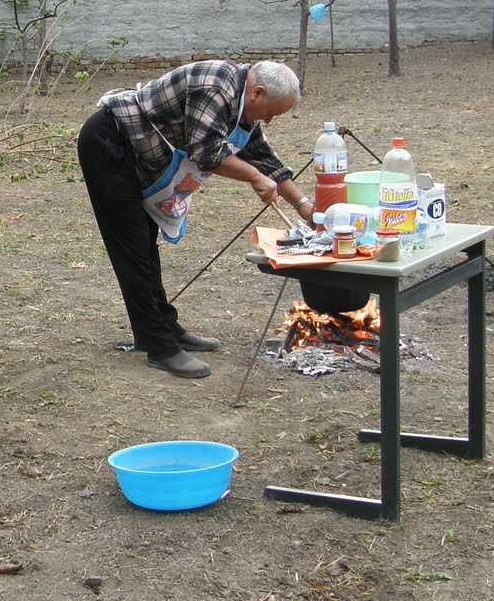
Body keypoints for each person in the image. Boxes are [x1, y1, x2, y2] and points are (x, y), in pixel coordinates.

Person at [77, 59, 318, 379]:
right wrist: (254, 178)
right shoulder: (216, 87)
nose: (270, 120)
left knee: (145, 245)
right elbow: (206, 153)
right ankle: (160, 347)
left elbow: (262, 156)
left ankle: (164, 327)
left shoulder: (242, 101)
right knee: (132, 248)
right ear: (257, 92)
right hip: (110, 144)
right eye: (272, 112)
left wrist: (303, 206)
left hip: (138, 154)